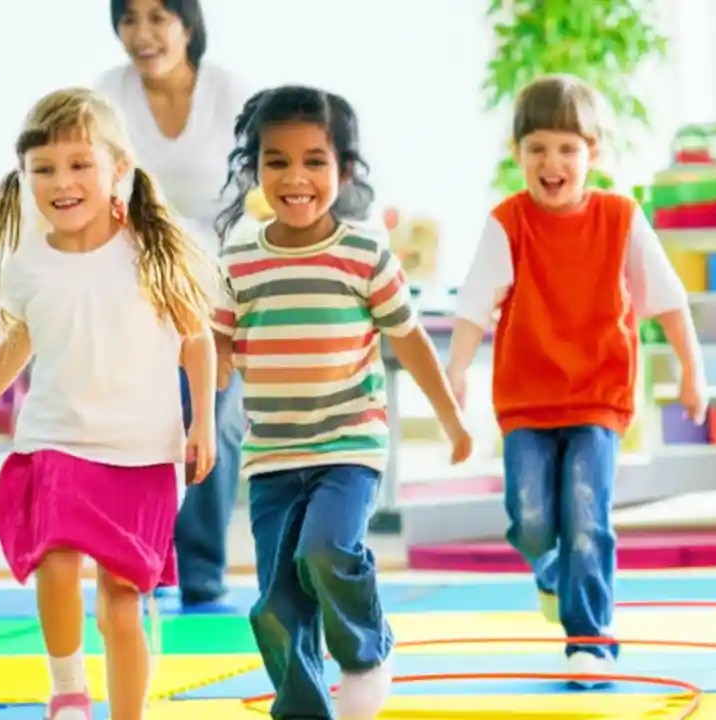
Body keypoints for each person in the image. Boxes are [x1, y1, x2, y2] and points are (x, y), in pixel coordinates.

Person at [0, 87, 217, 720]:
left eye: (79, 164)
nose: (62, 182)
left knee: (121, 599)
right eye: (44, 169)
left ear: (120, 168)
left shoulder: (151, 255)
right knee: (55, 559)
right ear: (25, 177)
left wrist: (202, 422)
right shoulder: (30, 265)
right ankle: (67, 690)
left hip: (142, 452)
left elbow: (196, 344)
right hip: (56, 438)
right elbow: (19, 342)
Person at [212, 85, 473, 720]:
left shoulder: (363, 253)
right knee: (274, 604)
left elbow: (407, 339)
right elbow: (216, 349)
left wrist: (451, 417)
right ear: (255, 171)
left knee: (323, 549)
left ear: (343, 170)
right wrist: (185, 420)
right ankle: (302, 708)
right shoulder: (240, 258)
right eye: (276, 161)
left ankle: (366, 650)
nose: (295, 177)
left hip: (347, 444)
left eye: (313, 161)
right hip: (272, 455)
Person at [448, 74, 705, 685]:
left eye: (568, 148)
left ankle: (589, 638)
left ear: (594, 153)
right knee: (531, 518)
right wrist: (454, 373)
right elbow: (474, 306)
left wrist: (692, 372)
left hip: (597, 396)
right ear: (518, 155)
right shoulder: (507, 223)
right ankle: (553, 572)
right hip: (527, 401)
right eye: (537, 148)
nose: (552, 162)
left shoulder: (620, 218)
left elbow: (668, 301)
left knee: (588, 513)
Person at [95, 0, 252, 608]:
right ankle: (145, 560)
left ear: (188, 24)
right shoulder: (105, 98)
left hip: (215, 287)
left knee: (215, 419)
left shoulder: (231, 94)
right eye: (129, 19)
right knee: (138, 425)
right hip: (132, 286)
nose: (143, 34)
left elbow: (253, 197)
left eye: (159, 18)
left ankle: (204, 571)